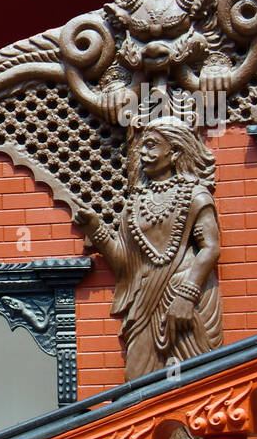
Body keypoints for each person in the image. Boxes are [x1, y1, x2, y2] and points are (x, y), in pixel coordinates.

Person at [74, 116, 223, 381]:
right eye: (142, 146)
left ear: (175, 151)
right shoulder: (135, 204)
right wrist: (96, 229)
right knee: (138, 382)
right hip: (146, 301)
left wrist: (186, 297)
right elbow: (123, 262)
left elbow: (210, 248)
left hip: (184, 297)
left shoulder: (195, 195)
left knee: (194, 384)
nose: (143, 152)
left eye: (152, 145)